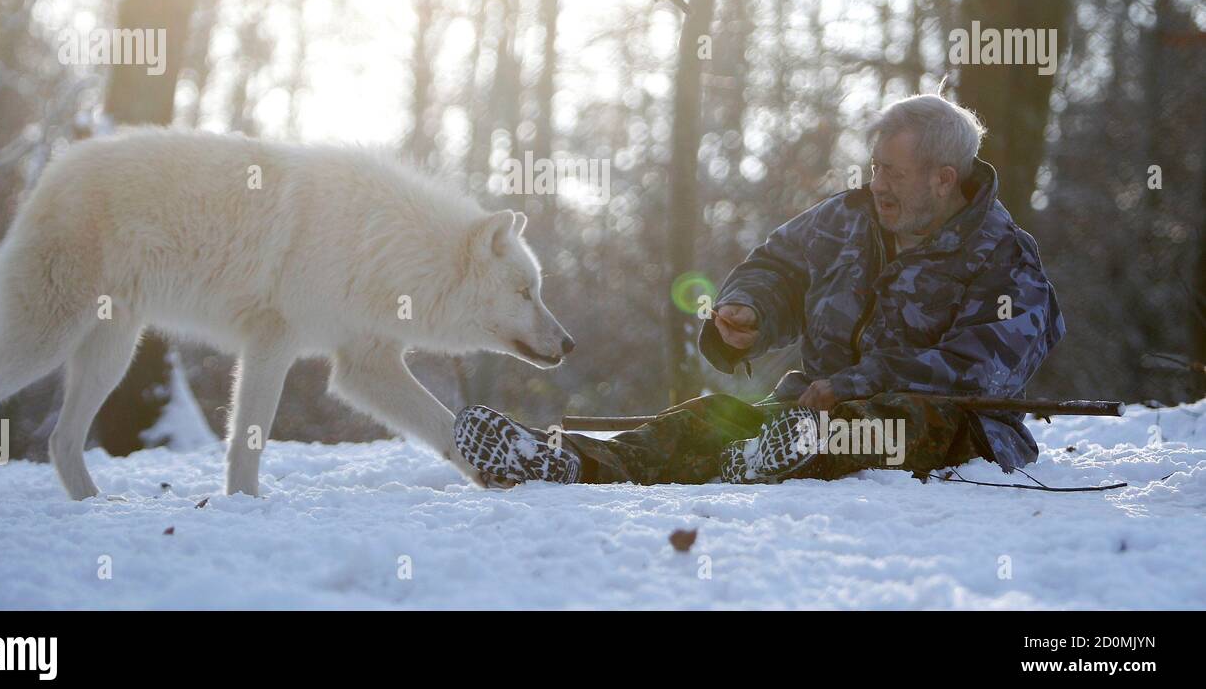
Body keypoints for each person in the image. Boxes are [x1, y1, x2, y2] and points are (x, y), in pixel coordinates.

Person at [453, 93, 1065, 486]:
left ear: (942, 180)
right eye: (874, 167)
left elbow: (977, 374)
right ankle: (560, 461)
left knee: (901, 417)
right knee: (706, 419)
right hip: (802, 416)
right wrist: (750, 310)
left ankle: (769, 457)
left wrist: (851, 386)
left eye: (893, 174)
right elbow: (778, 265)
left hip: (949, 430)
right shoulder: (849, 219)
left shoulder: (1008, 260)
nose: (877, 184)